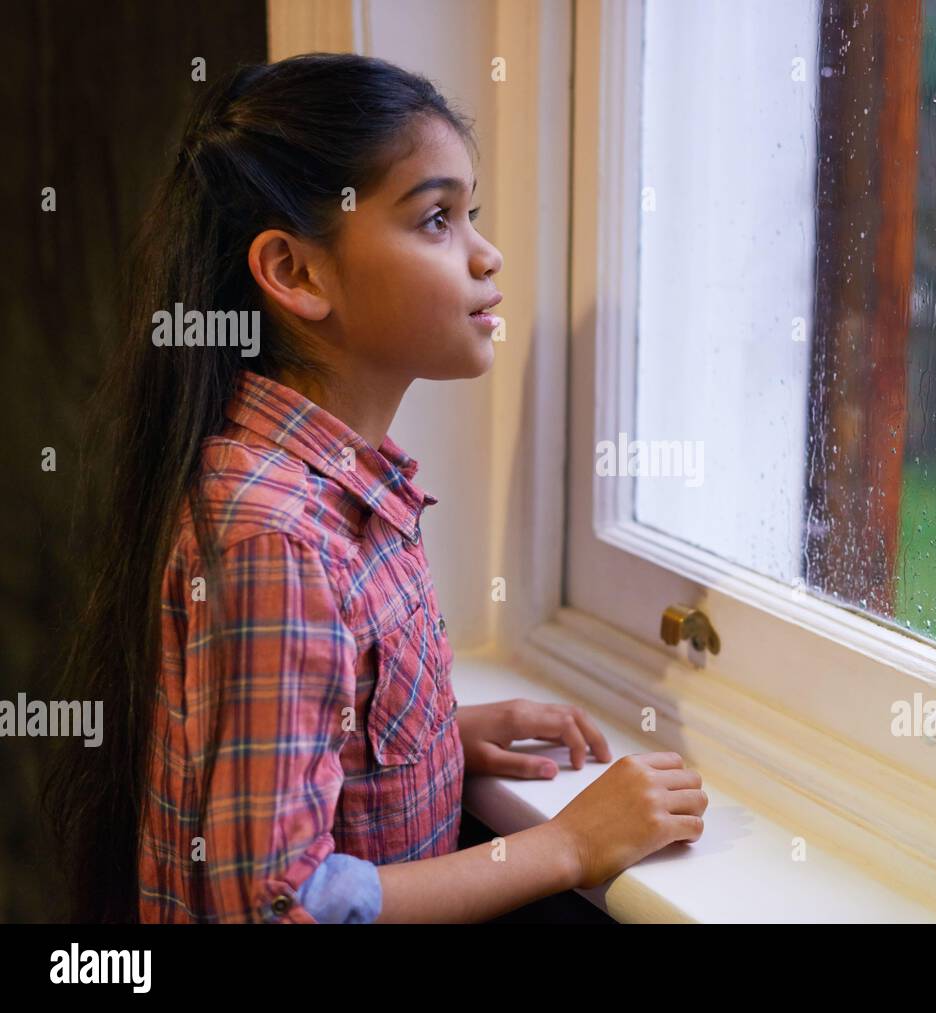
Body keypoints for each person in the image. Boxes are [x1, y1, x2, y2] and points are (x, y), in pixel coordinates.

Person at [41, 52, 707, 924]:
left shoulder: (336, 484)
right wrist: (567, 845)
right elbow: (279, 902)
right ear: (297, 274)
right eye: (436, 218)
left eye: (472, 213)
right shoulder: (277, 538)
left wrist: (437, 738)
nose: (486, 253)